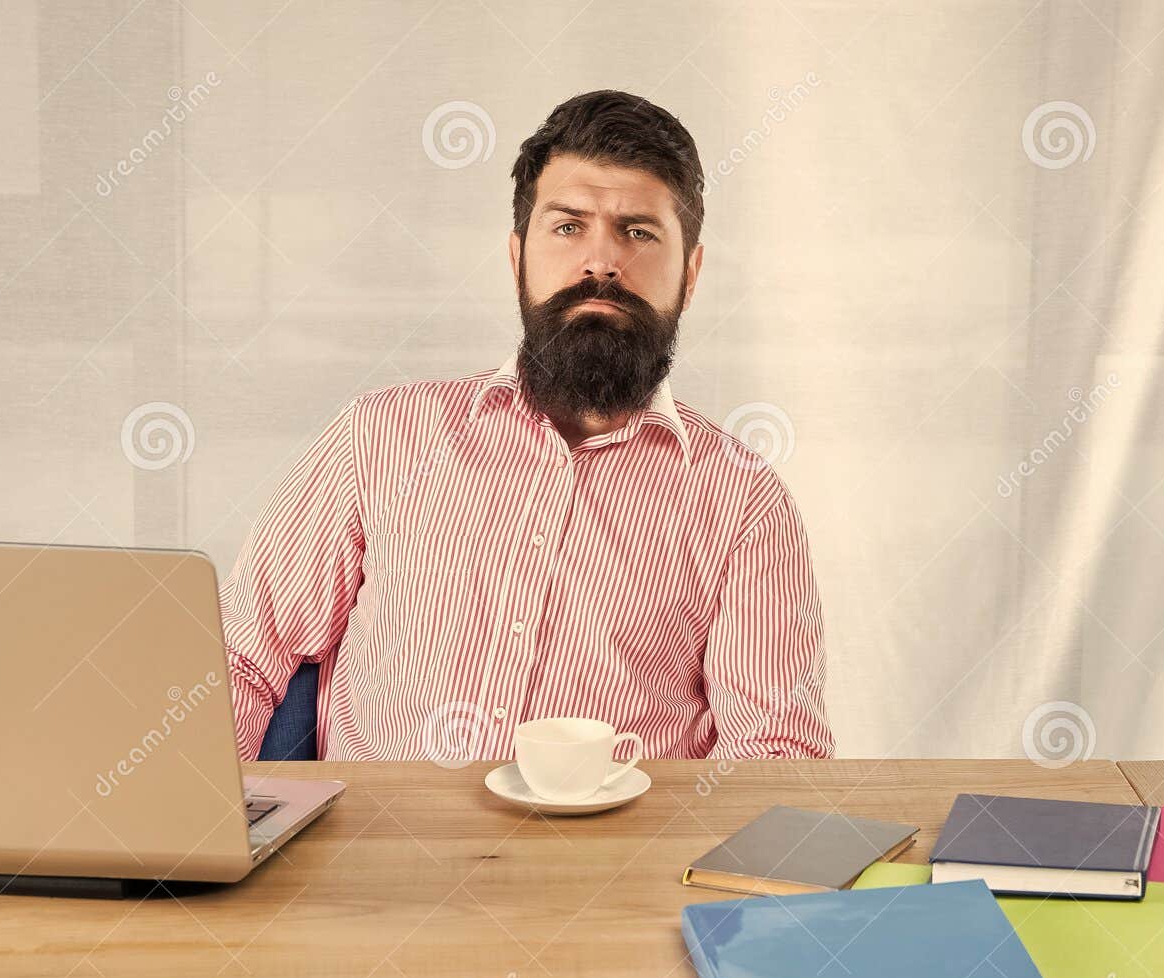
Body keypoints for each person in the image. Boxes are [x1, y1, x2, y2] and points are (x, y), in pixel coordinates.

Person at [220, 90, 833, 762]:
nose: (601, 262)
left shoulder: (745, 502)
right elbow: (238, 660)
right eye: (568, 227)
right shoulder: (380, 438)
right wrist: (199, 823)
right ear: (517, 258)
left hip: (620, 836)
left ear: (690, 274)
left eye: (638, 232)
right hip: (382, 832)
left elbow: (775, 754)